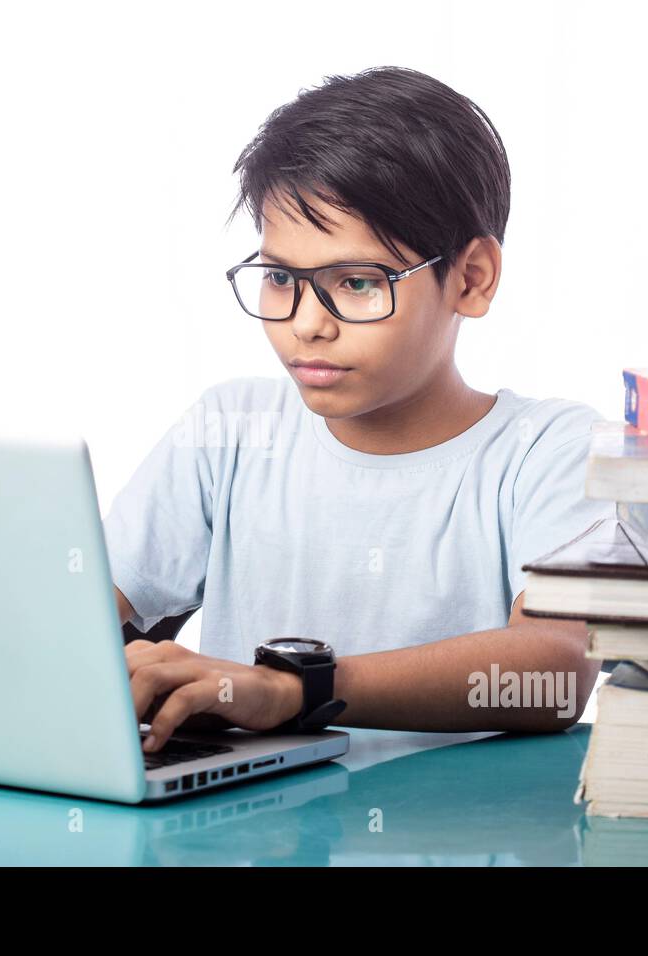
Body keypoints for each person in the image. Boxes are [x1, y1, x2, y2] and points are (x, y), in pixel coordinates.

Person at [105, 66, 612, 752]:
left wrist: (296, 691)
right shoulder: (231, 430)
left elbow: (554, 673)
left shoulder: (547, 450)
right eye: (282, 278)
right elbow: (76, 612)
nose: (307, 324)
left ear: (471, 279)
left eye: (357, 283)